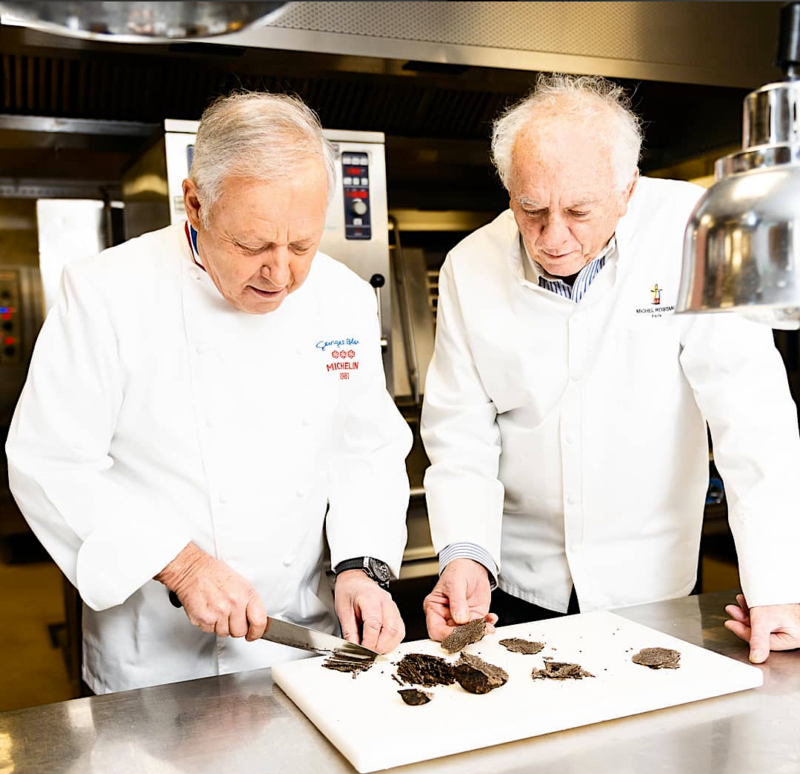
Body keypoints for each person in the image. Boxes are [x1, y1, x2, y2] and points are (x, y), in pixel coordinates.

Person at [6, 91, 412, 693]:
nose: (281, 274)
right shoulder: (106, 293)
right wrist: (184, 564)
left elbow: (366, 451)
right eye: (253, 246)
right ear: (195, 203)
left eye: (302, 245)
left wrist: (360, 568)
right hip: (157, 662)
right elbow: (50, 462)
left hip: (303, 643)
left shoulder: (343, 297)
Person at [420, 74, 800, 663]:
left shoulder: (694, 230)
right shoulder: (469, 266)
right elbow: (460, 436)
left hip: (654, 585)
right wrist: (465, 553)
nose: (552, 237)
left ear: (628, 189)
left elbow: (750, 417)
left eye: (578, 211)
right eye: (531, 209)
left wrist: (780, 584)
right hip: (519, 588)